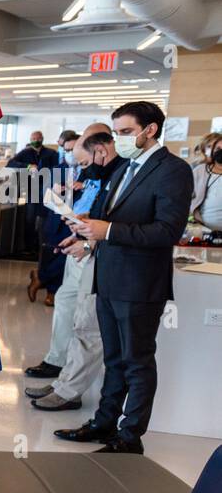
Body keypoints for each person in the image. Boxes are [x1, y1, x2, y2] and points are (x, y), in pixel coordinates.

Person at [55, 101, 193, 454]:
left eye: (127, 132)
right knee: (113, 360)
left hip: (141, 283)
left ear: (151, 130)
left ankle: (130, 436)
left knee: (136, 361)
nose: (120, 138)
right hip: (110, 277)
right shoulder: (124, 169)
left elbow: (166, 231)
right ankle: (104, 423)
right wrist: (84, 234)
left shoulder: (173, 170)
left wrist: (109, 230)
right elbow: (104, 216)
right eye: (117, 132)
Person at [29, 132, 118, 412]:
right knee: (69, 309)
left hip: (95, 252)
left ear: (100, 149)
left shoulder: (117, 175)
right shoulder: (90, 172)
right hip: (78, 243)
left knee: (86, 324)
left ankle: (69, 390)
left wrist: (88, 243)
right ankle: (62, 377)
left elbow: (111, 221)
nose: (77, 163)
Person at [31, 129, 82, 305]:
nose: (69, 154)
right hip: (56, 219)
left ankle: (42, 279)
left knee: (66, 257)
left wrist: (80, 187)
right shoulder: (57, 170)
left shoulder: (88, 170)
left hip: (78, 220)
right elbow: (44, 195)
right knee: (54, 254)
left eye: (72, 150)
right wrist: (54, 192)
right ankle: (50, 289)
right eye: (66, 150)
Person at [7, 131, 61, 261]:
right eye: (33, 138)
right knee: (30, 219)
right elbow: (10, 164)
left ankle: (43, 246)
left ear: (42, 139)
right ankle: (29, 247)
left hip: (48, 189)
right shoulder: (25, 153)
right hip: (31, 190)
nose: (36, 140)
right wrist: (27, 166)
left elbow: (57, 168)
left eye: (38, 138)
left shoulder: (51, 153)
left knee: (45, 219)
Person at [190, 142, 222, 231]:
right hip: (203, 229)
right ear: (212, 151)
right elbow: (186, 196)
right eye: (218, 149)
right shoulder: (200, 170)